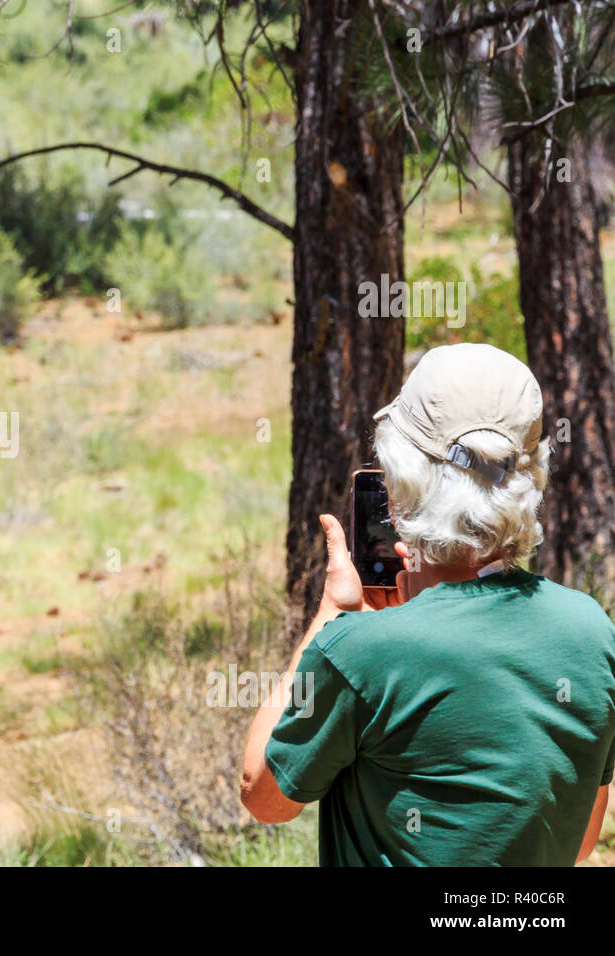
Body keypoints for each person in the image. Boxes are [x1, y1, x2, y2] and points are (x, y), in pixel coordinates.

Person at [241, 342, 615, 865]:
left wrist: (331, 616)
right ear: (529, 477)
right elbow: (577, 842)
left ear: (400, 486)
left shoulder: (359, 652)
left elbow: (263, 796)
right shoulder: (591, 631)